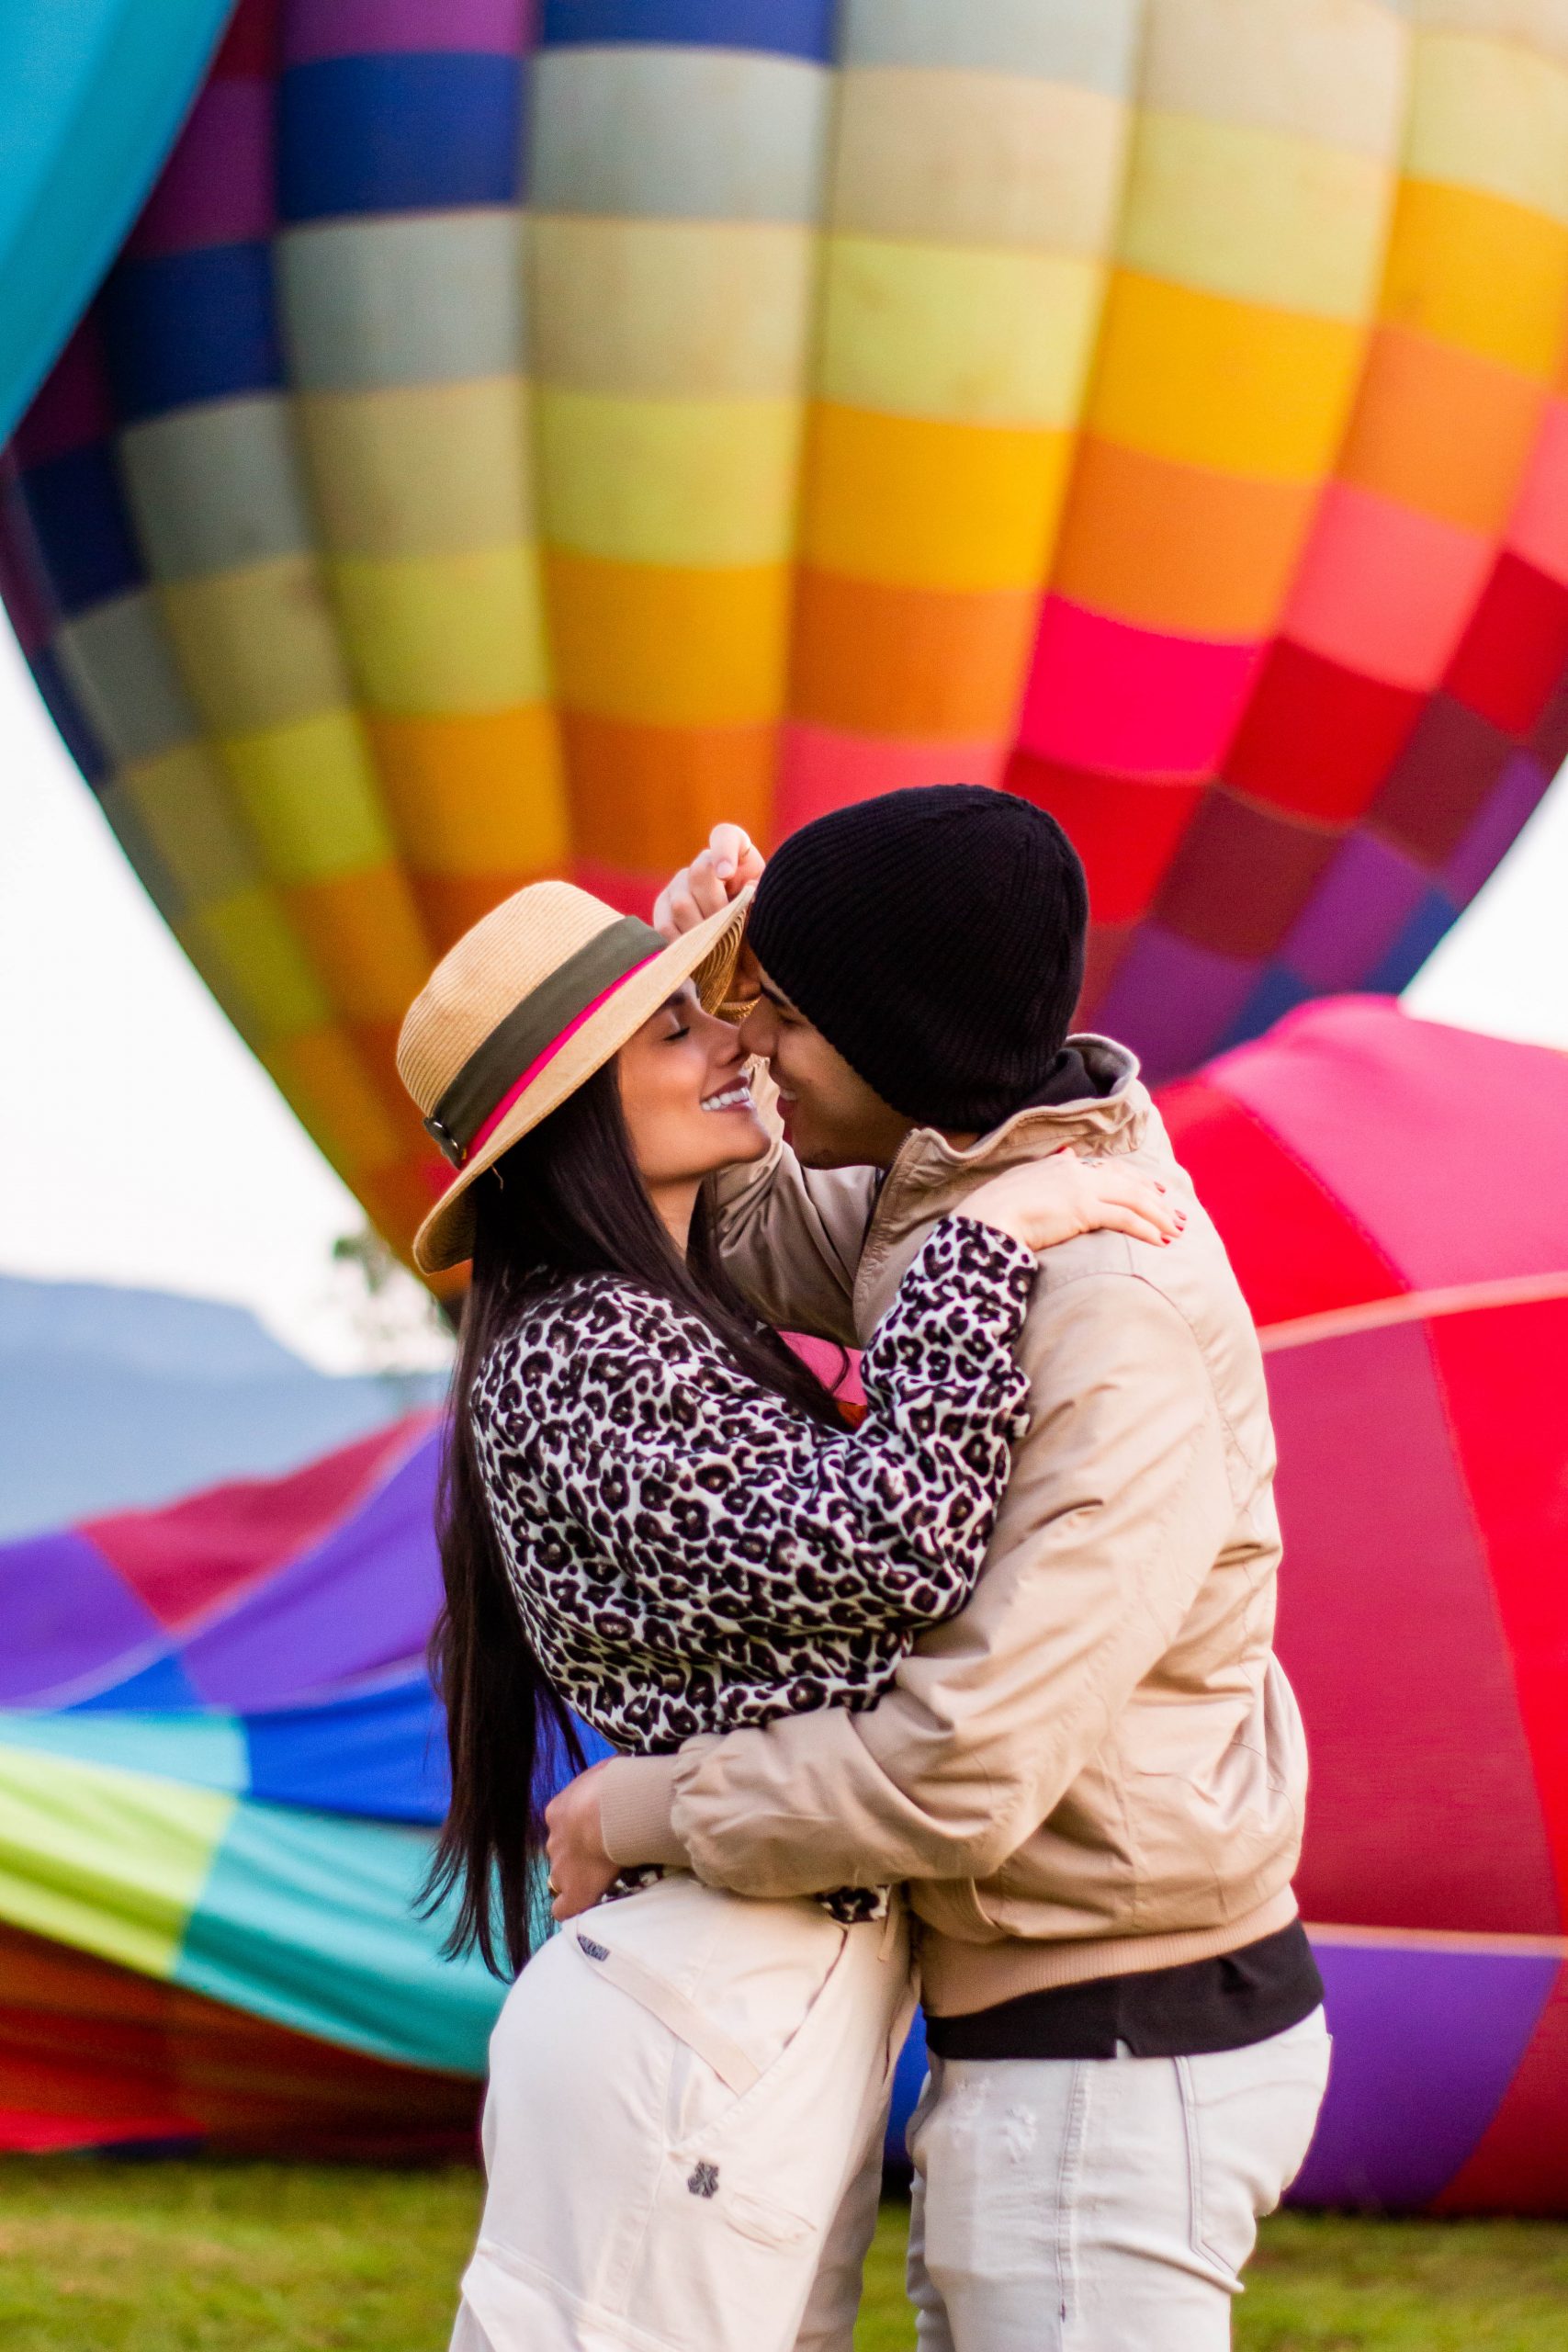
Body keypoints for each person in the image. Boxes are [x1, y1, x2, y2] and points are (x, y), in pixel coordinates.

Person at [546, 786, 1331, 2352]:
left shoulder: (1102, 1303)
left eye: (781, 1016)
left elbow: (964, 1772)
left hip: (1118, 2054)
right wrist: (685, 984)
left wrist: (650, 1807)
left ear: (898, 1039)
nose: (753, 1048)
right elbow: (728, 1227)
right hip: (1043, 2030)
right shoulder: (957, 1194)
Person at [394, 873, 1179, 2352]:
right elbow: (890, 1545)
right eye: (675, 1034)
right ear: (577, 1116)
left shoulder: (632, 1320)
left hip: (750, 1992)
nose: (731, 1047)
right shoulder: (587, 1344)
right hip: (707, 2002)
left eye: (725, 1011)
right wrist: (986, 1247)